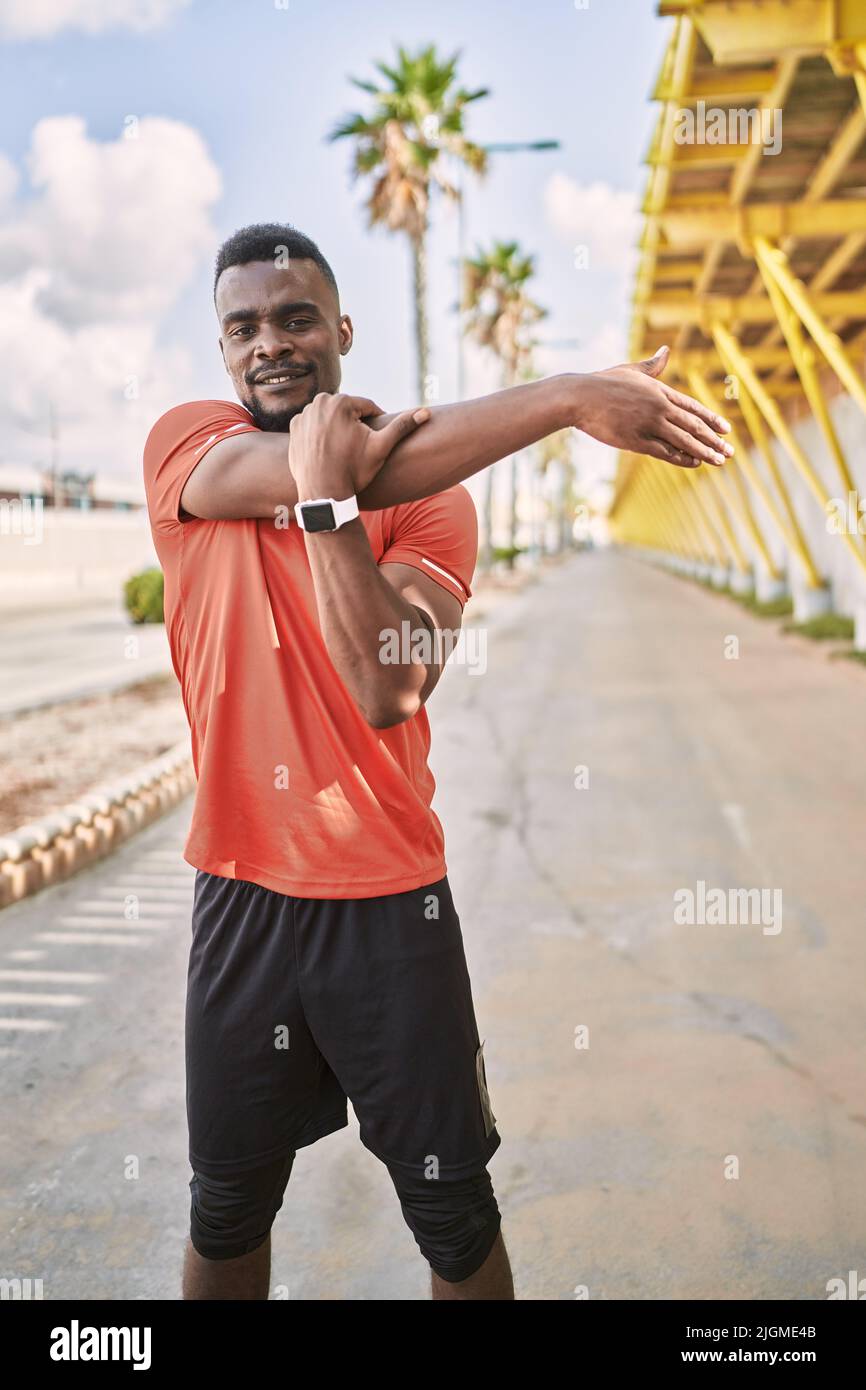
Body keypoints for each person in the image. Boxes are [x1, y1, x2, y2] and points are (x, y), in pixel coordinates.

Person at [142, 222, 733, 1301]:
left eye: (294, 317)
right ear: (224, 350)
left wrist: (328, 508)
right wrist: (560, 398)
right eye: (244, 327)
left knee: (452, 1215)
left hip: (389, 905)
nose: (269, 342)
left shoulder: (432, 501)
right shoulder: (187, 444)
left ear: (341, 330)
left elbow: (386, 686)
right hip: (239, 898)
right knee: (224, 1211)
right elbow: (298, 469)